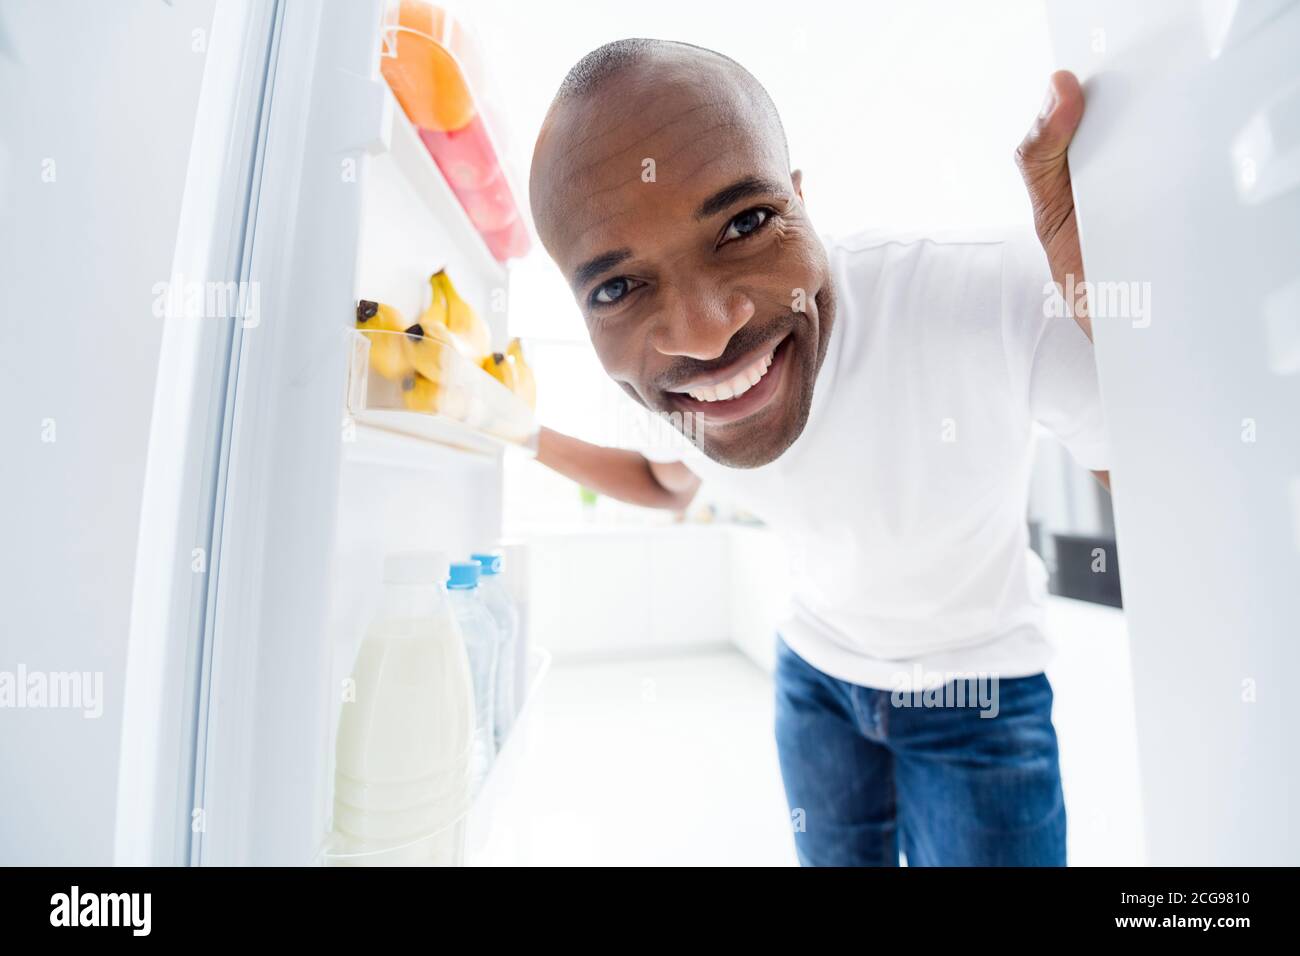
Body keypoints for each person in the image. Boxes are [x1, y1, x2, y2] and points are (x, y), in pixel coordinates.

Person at [527, 38, 1108, 866]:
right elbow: (665, 486)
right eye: (617, 287)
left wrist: (1132, 340)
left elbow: (1183, 491)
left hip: (982, 698)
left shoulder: (986, 296)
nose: (706, 332)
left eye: (745, 223)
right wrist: (516, 432)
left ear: (802, 202)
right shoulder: (684, 389)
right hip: (816, 685)